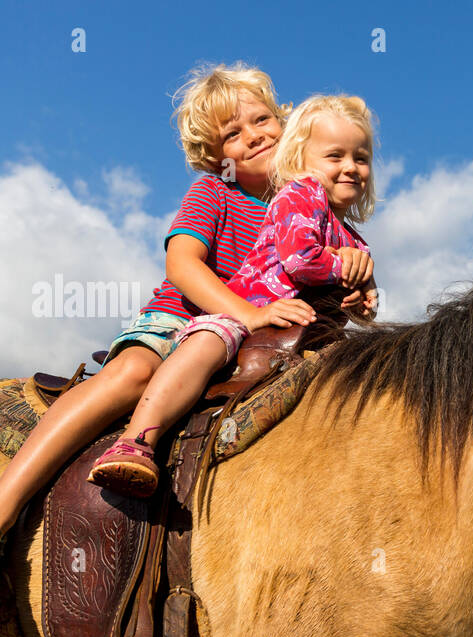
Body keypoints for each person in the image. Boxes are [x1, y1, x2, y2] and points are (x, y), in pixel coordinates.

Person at [0, 62, 305, 632]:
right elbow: (183, 265)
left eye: (262, 119)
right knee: (131, 376)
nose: (253, 134)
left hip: (253, 346)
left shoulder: (305, 208)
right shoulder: (213, 193)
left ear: (287, 121)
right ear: (214, 155)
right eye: (231, 132)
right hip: (182, 322)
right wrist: (248, 313)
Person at [87, 93, 378, 497]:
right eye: (335, 156)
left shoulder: (351, 236)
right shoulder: (299, 196)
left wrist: (364, 296)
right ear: (303, 158)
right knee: (207, 342)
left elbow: (356, 301)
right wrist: (340, 265)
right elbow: (299, 260)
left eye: (360, 158)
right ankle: (138, 438)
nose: (349, 167)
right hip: (247, 307)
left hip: (287, 325)